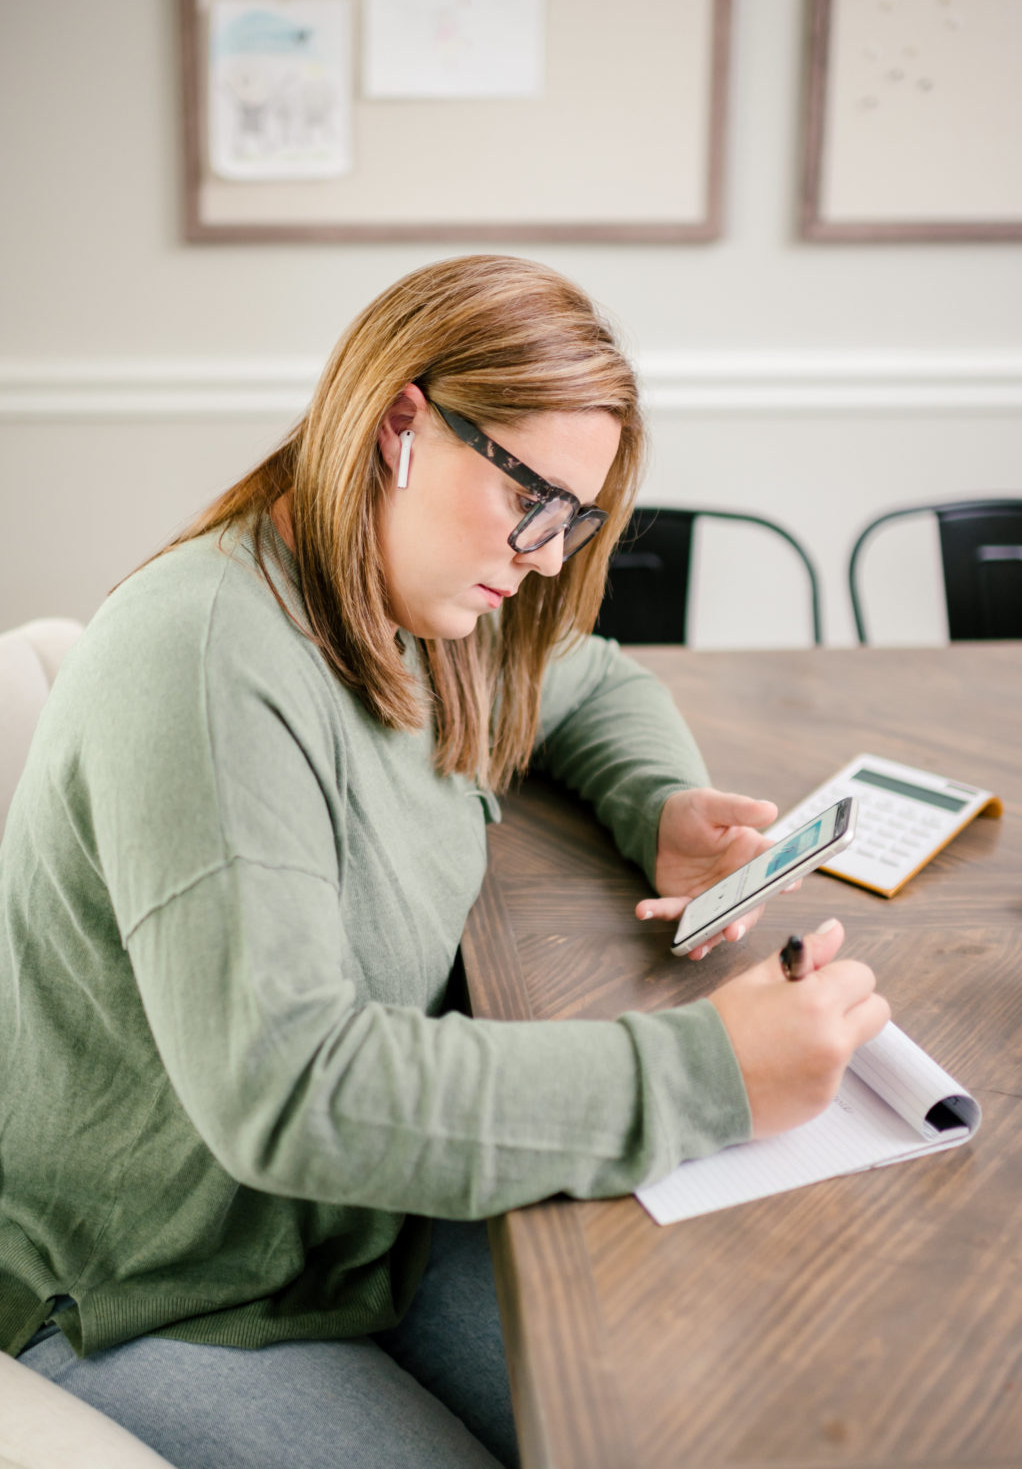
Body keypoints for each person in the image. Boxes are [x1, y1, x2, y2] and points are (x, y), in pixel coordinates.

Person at [0, 255, 889, 1469]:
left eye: (571, 523)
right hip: (156, 1280)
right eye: (532, 499)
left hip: (367, 1223)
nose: (540, 557)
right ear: (399, 422)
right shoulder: (209, 664)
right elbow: (293, 1091)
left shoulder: (432, 611)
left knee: (692, 1415)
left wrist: (660, 800)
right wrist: (707, 1073)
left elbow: (591, 677)